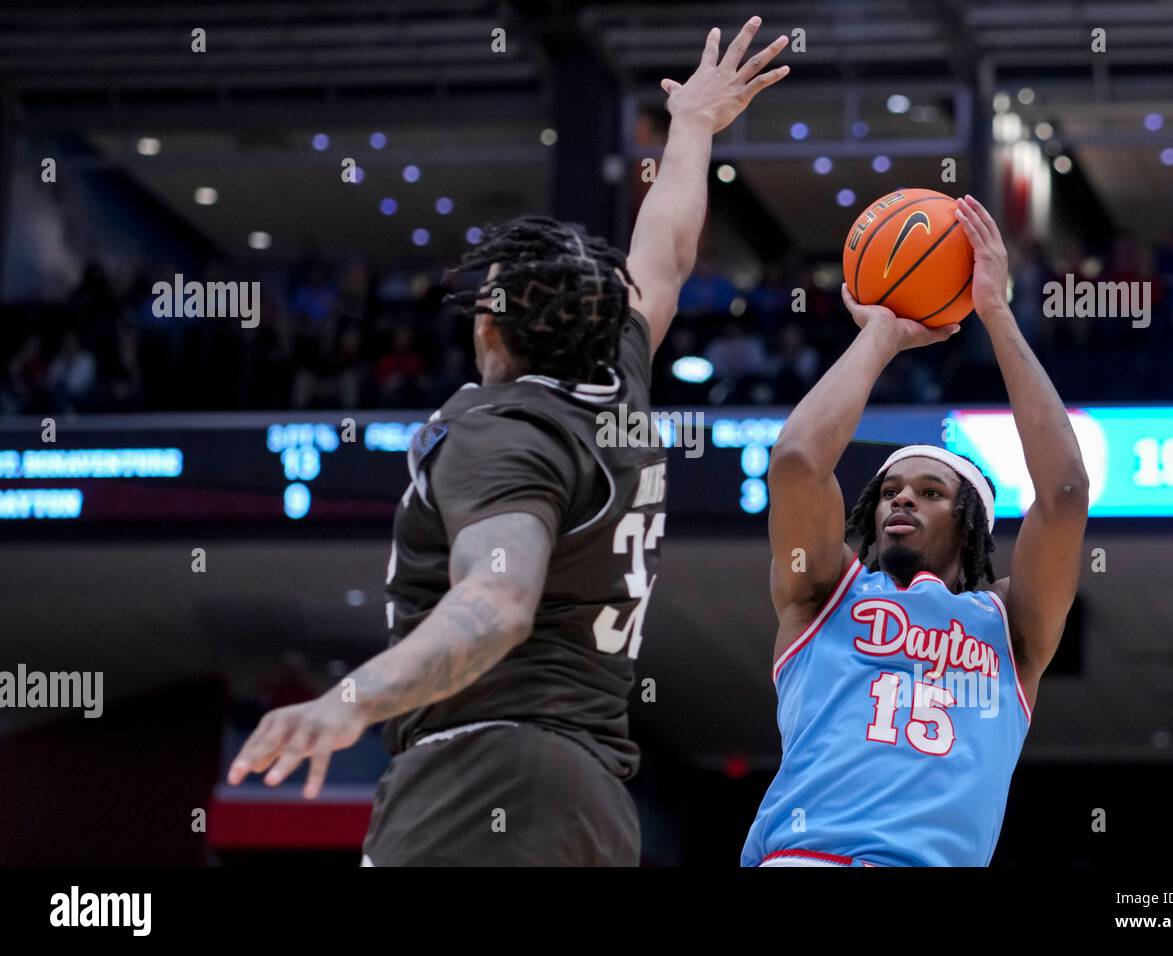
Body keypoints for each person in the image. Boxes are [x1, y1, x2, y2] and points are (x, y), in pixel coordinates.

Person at [227, 16, 790, 866]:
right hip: (592, 796)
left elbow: (496, 603)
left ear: (490, 324)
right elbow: (666, 255)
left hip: (484, 770)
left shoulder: (505, 432)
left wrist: (347, 702)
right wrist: (691, 130)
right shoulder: (614, 379)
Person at [742, 195, 1089, 867]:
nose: (901, 501)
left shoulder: (1011, 629)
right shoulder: (824, 594)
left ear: (970, 524)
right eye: (891, 492)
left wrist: (994, 312)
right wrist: (880, 334)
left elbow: (1066, 496)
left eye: (930, 493)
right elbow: (795, 464)